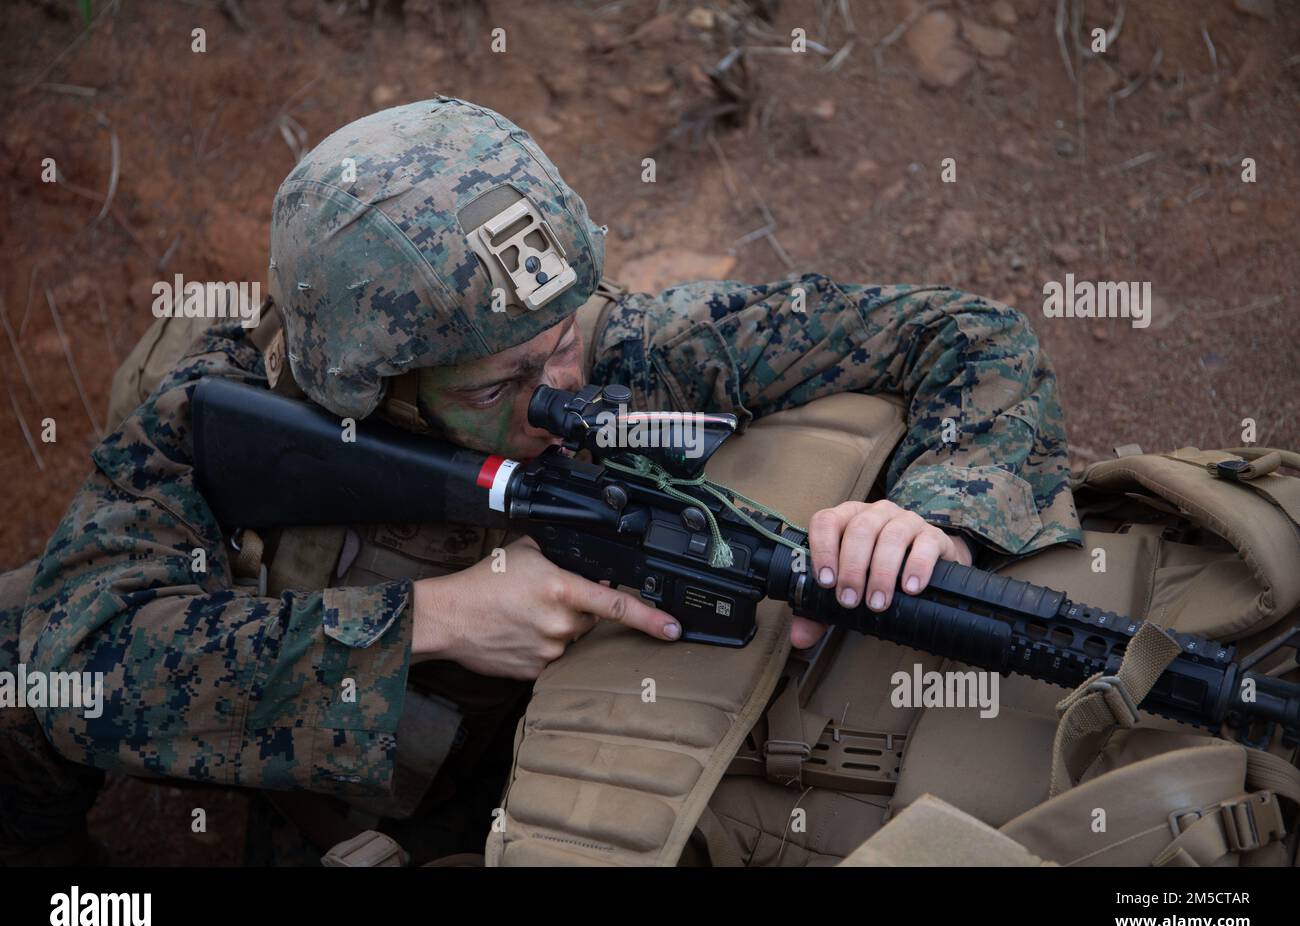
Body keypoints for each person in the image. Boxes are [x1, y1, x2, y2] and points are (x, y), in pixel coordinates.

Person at [12, 96, 1081, 862]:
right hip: (309, 773)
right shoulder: (209, 416)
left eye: (562, 336)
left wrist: (935, 514)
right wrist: (432, 618)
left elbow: (965, 334)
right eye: (507, 378)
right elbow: (75, 656)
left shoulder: (617, 350)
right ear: (368, 382)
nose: (563, 384)